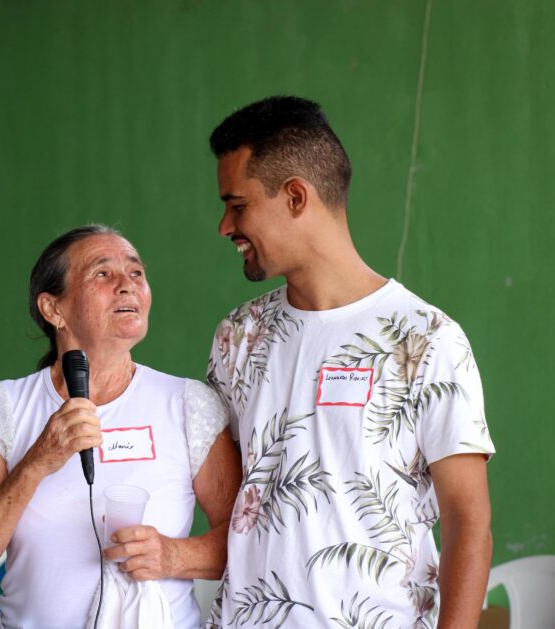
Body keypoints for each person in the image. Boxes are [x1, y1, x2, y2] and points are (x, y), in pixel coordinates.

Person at [204, 97, 495, 628]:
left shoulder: (427, 338)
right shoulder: (237, 336)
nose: (225, 226)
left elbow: (467, 523)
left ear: (296, 196)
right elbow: (223, 505)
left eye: (237, 205)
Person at [0, 224, 241, 628]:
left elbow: (253, 539)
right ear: (53, 309)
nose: (127, 285)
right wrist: (35, 463)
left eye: (136, 272)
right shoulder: (3, 407)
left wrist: (172, 556)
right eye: (102, 273)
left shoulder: (188, 405)